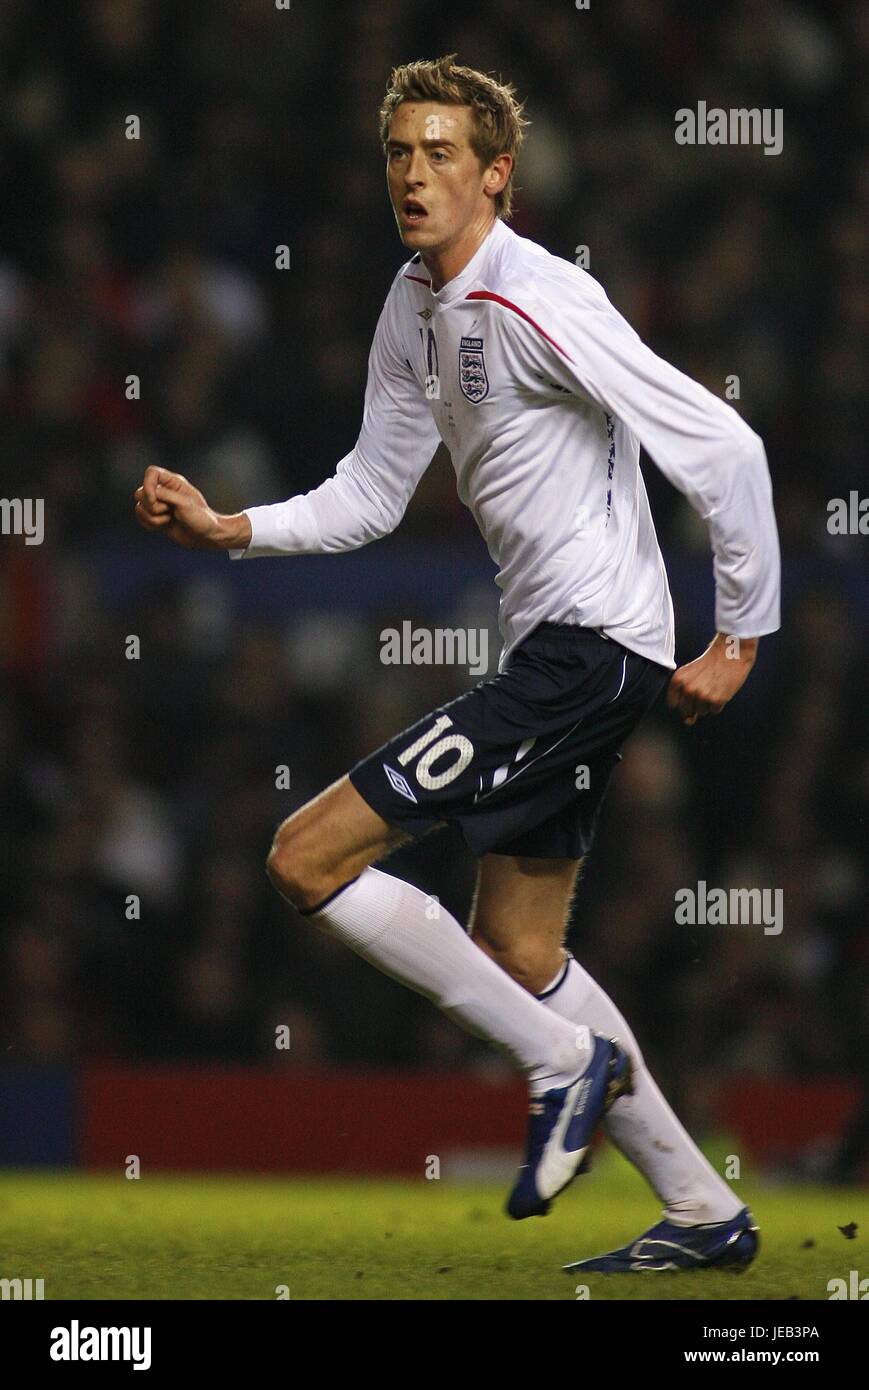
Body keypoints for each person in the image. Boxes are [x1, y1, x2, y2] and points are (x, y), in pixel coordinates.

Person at [135, 55, 780, 1272]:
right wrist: (236, 529)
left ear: (497, 175)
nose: (413, 175)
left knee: (304, 854)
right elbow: (374, 492)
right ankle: (704, 1210)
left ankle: (556, 1063)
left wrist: (739, 630)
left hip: (590, 649)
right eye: (397, 153)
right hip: (566, 650)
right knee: (522, 954)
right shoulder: (412, 306)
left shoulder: (542, 294)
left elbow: (726, 446)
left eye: (440, 154)